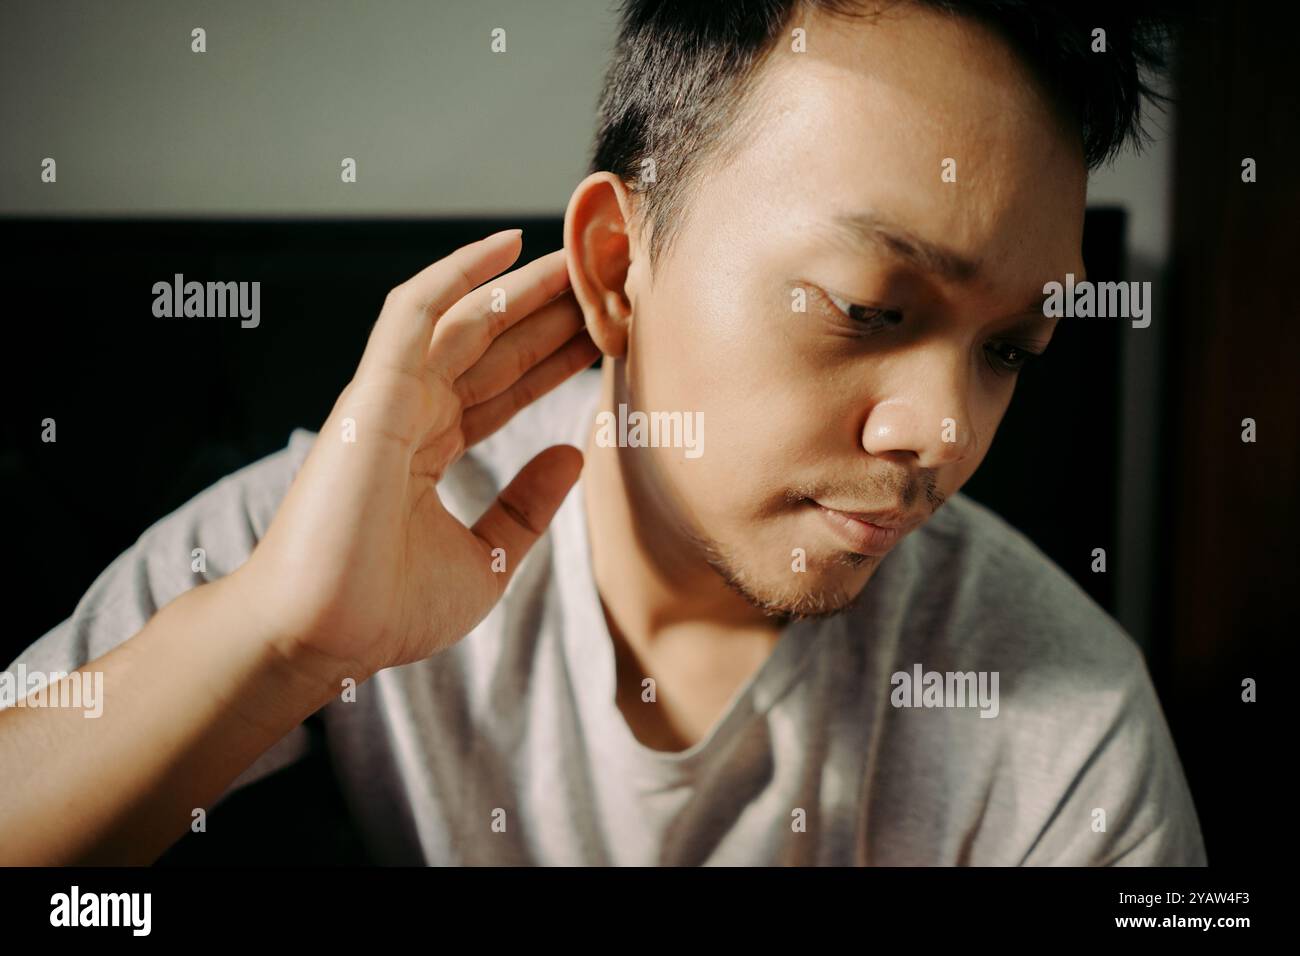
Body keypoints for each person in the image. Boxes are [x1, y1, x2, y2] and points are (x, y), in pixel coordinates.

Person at [0, 0, 1205, 865]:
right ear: (619, 266)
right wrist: (279, 639)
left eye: (1010, 349)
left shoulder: (1066, 724)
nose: (942, 432)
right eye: (867, 308)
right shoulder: (334, 530)